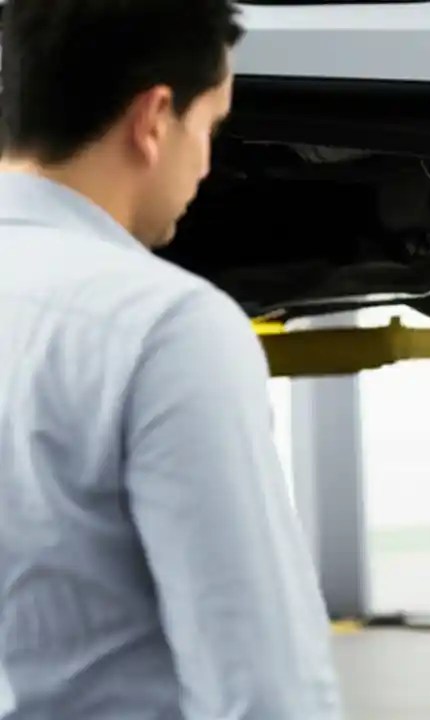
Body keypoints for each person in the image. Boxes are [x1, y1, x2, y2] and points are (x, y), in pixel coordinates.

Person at [0, 1, 343, 717]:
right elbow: (263, 688)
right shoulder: (165, 328)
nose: (208, 162)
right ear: (155, 119)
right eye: (209, 126)